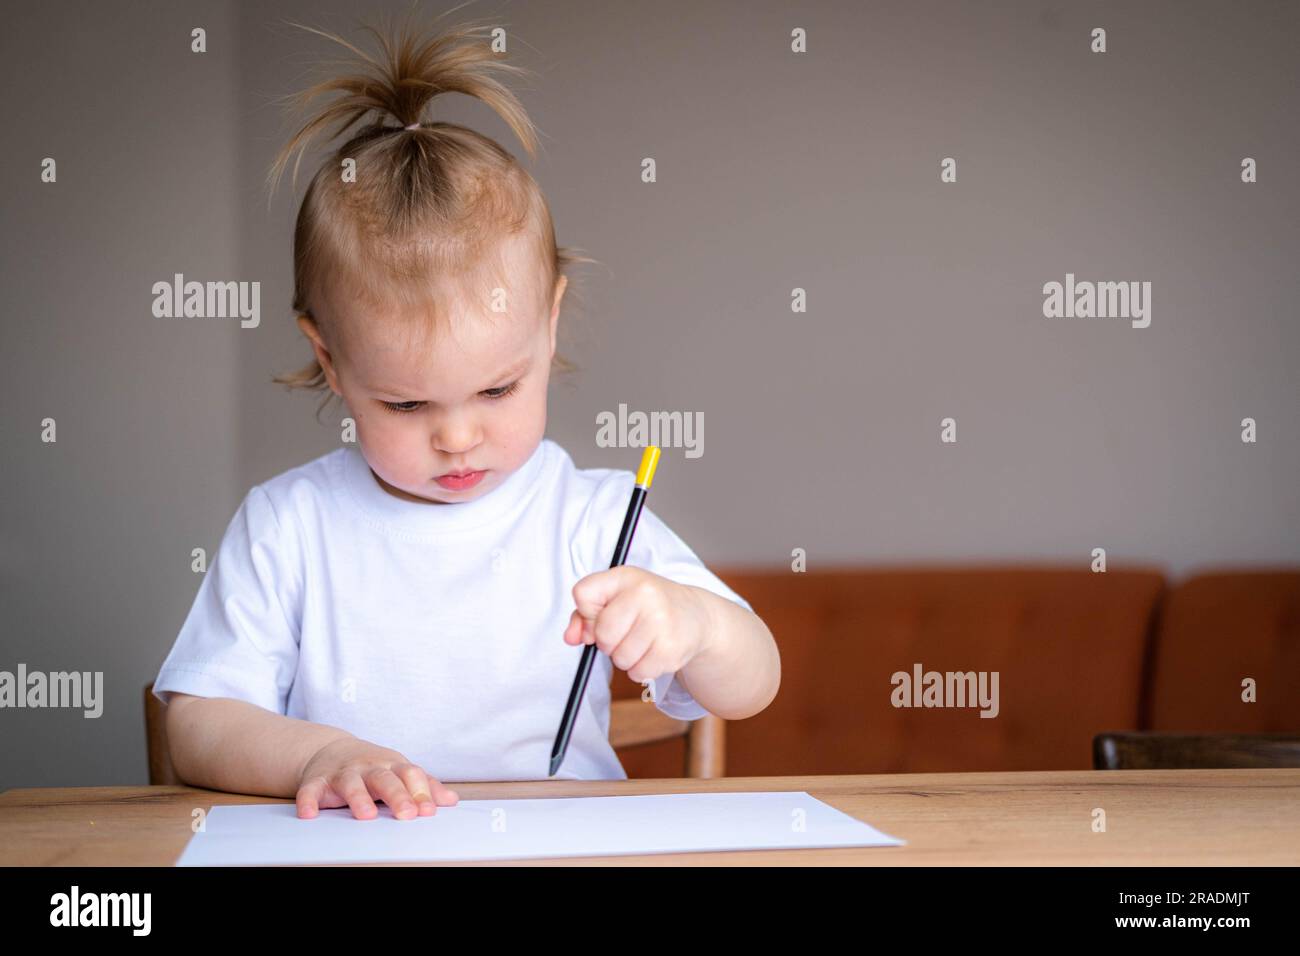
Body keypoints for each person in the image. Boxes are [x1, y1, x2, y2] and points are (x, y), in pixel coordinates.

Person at [154, 14, 780, 822]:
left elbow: (754, 680)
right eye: (407, 403)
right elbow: (196, 726)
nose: (456, 436)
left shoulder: (590, 517)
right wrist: (321, 753)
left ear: (550, 326)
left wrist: (694, 625)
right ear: (330, 360)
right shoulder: (289, 526)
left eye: (496, 390)